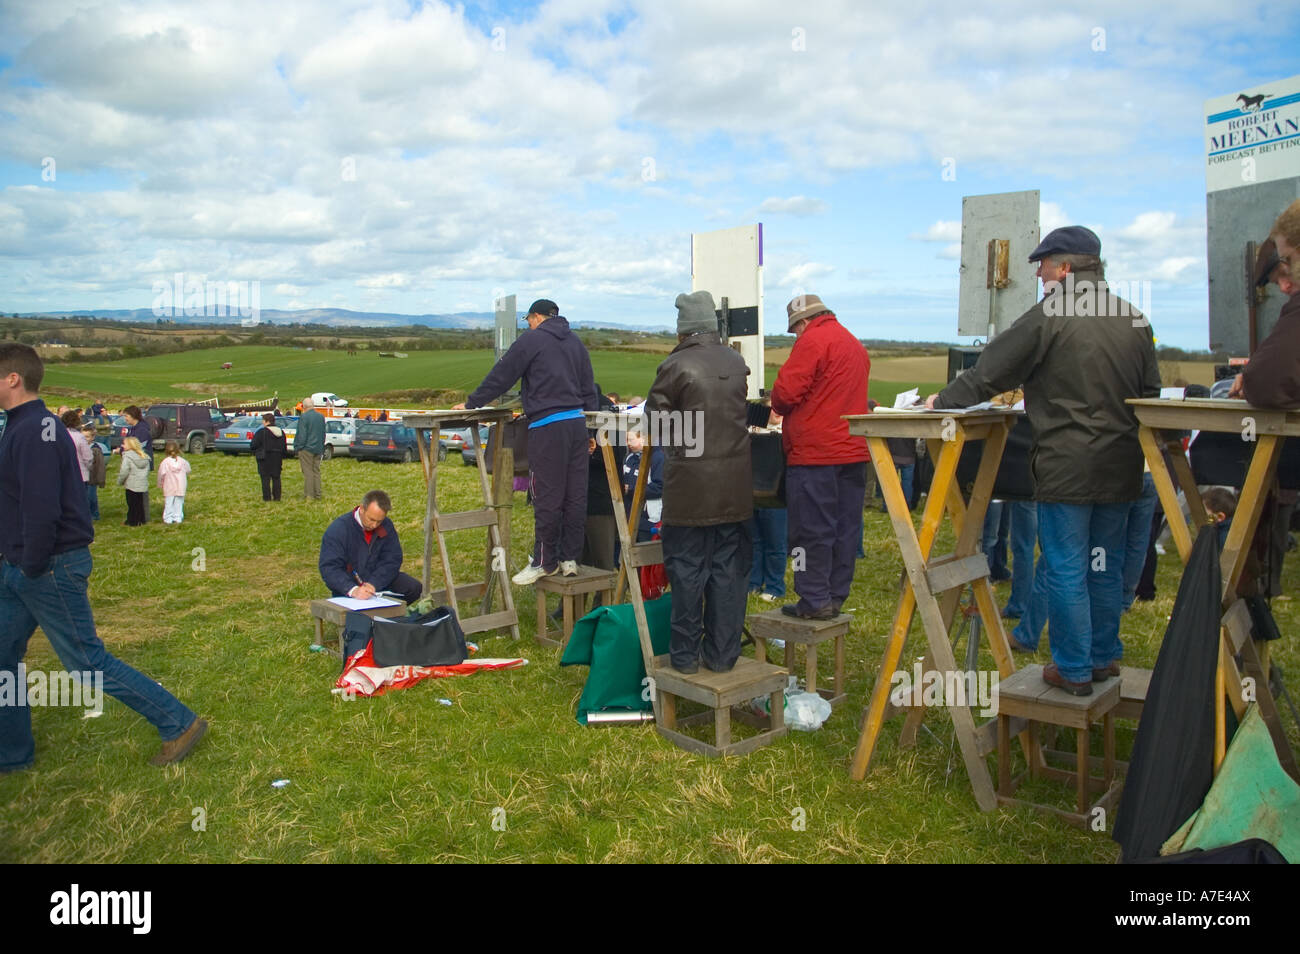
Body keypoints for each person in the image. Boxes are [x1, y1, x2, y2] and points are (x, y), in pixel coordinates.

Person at [926, 226, 1161, 696]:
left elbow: (991, 370)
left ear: (1066, 268)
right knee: (1103, 564)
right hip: (1121, 464)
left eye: (1044, 265)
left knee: (1067, 565)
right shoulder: (1134, 318)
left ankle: (1072, 668)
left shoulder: (1052, 313)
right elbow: (1151, 393)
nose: (1037, 273)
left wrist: (941, 402)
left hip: (1066, 464)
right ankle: (1101, 656)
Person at [0, 344, 207, 771]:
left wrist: (30, 565)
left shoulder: (36, 429)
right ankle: (13, 756)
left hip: (46, 566)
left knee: (87, 662)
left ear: (12, 379)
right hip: (20, 566)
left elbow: (41, 510)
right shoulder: (21, 426)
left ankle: (178, 722)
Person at [454, 299, 600, 585]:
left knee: (546, 494)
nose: (528, 324)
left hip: (547, 426)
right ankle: (570, 558)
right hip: (576, 425)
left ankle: (545, 562)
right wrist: (590, 434)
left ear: (536, 317)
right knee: (574, 494)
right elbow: (589, 388)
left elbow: (502, 375)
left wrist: (473, 402)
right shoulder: (575, 343)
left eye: (528, 320)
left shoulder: (532, 340)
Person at [646, 290, 753, 674]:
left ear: (683, 329)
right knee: (728, 575)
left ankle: (685, 659)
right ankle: (723, 657)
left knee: (688, 573)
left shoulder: (675, 367)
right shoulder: (737, 362)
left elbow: (659, 426)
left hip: (691, 495)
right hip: (735, 492)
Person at [770, 294, 870, 619]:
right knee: (845, 527)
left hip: (814, 454)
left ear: (801, 322)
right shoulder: (853, 343)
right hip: (853, 451)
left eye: (794, 330)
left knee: (806, 531)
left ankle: (812, 597)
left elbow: (785, 395)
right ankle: (836, 594)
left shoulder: (812, 341)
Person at [319, 490, 423, 605]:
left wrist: (374, 583)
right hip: (349, 587)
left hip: (378, 584)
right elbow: (329, 568)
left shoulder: (386, 525)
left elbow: (392, 559)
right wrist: (353, 590)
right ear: (362, 509)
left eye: (379, 521)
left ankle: (387, 618)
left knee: (413, 587)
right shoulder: (339, 529)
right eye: (371, 519)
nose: (374, 525)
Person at [250, 412, 287, 501]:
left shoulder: (261, 432)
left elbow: (253, 445)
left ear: (267, 422)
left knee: (265, 479)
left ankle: (267, 498)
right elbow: (284, 447)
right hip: (277, 458)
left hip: (264, 458)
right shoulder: (281, 432)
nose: (262, 422)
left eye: (263, 420)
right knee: (276, 478)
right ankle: (277, 497)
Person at [294, 397, 325, 499]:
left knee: (308, 472)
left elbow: (302, 434)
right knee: (316, 471)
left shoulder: (304, 417)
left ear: (304, 406)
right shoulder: (321, 417)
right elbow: (323, 433)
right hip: (319, 448)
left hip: (307, 448)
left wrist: (298, 447)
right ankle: (318, 494)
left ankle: (309, 495)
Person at [117, 437, 151, 526]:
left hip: (131, 485)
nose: (122, 446)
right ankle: (141, 520)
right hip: (142, 484)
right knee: (140, 504)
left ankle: (132, 521)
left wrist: (120, 481)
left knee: (132, 504)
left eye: (124, 444)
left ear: (130, 446)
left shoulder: (127, 457)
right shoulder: (144, 456)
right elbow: (147, 471)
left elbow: (124, 471)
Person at [157, 440, 191, 525]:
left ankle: (168, 518)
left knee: (169, 503)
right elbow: (188, 470)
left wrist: (160, 483)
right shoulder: (183, 461)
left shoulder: (165, 462)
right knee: (179, 503)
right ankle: (178, 517)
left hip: (169, 486)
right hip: (180, 486)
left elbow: (161, 474)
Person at [81, 423, 106, 520]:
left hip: (92, 478)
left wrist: (100, 479)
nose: (84, 439)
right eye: (83, 437)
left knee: (91, 497)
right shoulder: (80, 447)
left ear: (92, 437)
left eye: (87, 437)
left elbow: (100, 466)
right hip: (83, 477)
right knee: (84, 497)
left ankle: (94, 514)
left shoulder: (96, 450)